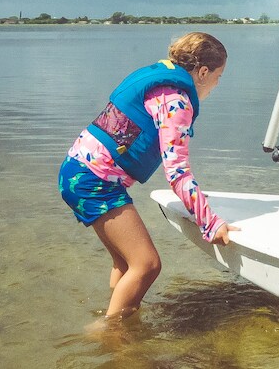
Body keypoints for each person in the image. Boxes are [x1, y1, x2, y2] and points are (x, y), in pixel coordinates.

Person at [58, 31, 238, 330]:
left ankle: (119, 321)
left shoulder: (161, 83)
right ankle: (108, 335)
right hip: (94, 181)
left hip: (77, 172)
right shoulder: (176, 102)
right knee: (147, 264)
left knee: (127, 263)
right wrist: (211, 223)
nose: (218, 83)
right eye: (219, 76)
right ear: (203, 72)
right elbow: (177, 172)